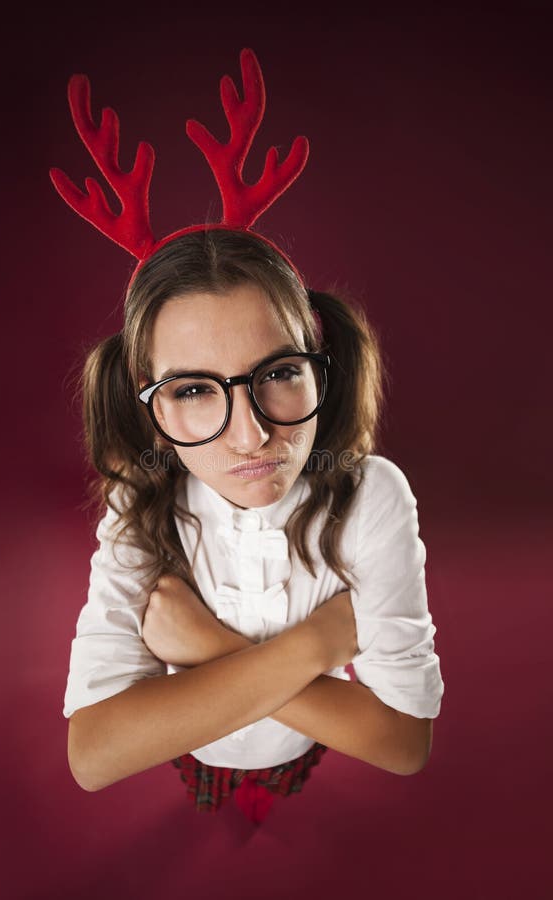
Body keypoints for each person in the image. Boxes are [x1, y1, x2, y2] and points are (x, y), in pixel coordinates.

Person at [52, 50, 444, 824]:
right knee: (217, 799)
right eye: (195, 390)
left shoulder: (371, 496)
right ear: (150, 406)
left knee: (283, 785)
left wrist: (204, 645)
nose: (251, 432)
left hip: (297, 744)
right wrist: (319, 644)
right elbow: (94, 754)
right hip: (200, 752)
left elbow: (402, 743)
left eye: (279, 373)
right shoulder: (141, 501)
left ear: (322, 365)